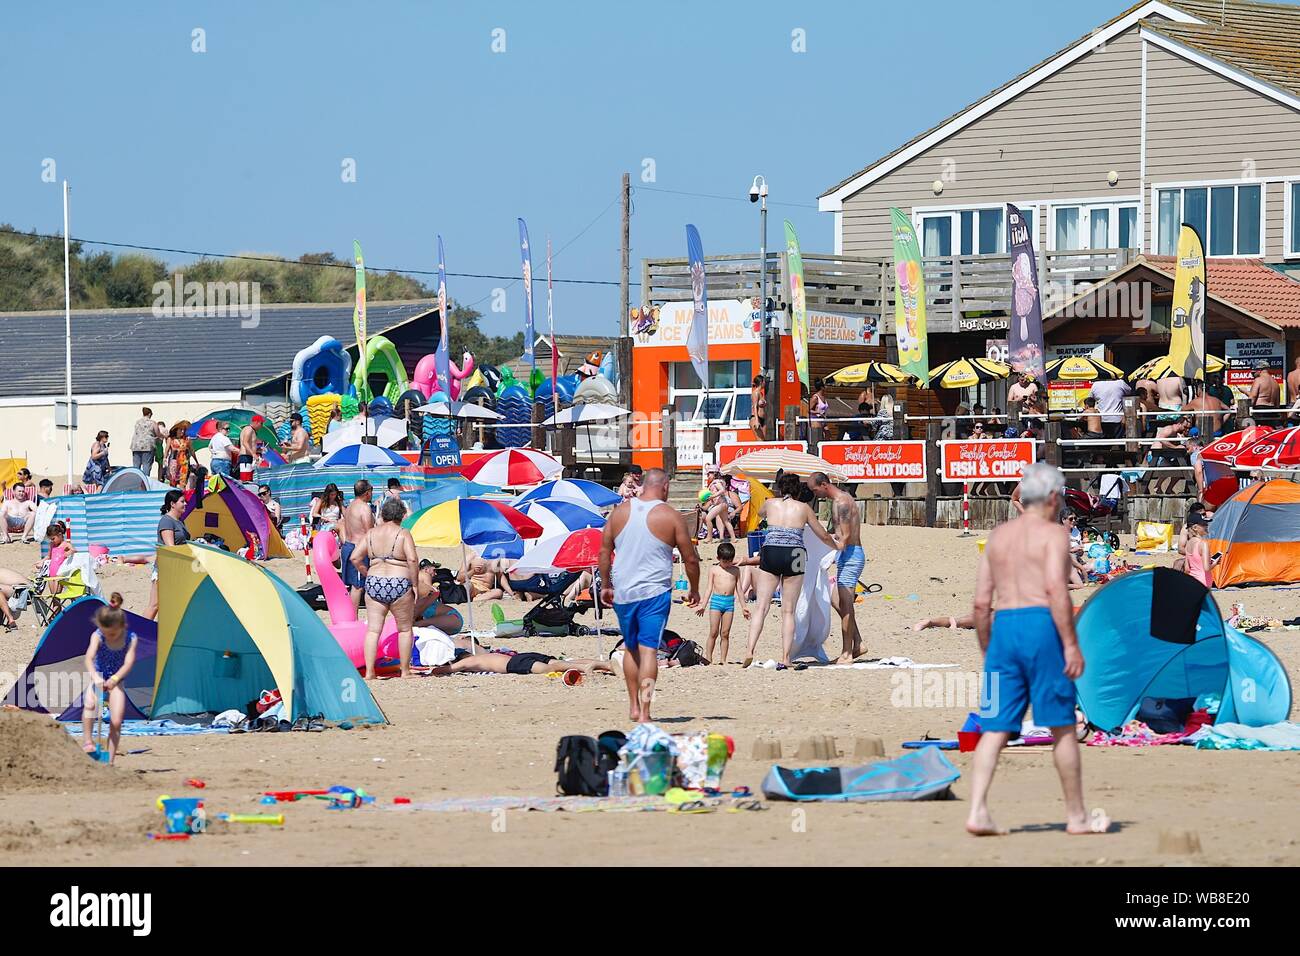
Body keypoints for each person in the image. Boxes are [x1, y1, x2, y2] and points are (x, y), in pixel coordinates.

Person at [968, 462, 1105, 837]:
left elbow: (981, 604)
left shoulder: (997, 536)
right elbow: (1056, 591)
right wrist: (1072, 645)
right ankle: (1076, 817)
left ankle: (978, 810)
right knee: (1061, 726)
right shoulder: (1053, 535)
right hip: (1040, 626)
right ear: (1052, 497)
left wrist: (988, 651)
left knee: (994, 727)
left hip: (1004, 628)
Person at [599, 467, 699, 723]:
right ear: (664, 487)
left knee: (631, 648)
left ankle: (633, 705)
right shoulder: (670, 515)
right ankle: (645, 711)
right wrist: (694, 589)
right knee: (649, 652)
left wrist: (606, 585)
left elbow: (604, 551)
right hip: (654, 591)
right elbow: (690, 559)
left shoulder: (619, 512)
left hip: (624, 590)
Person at [743, 472, 836, 669]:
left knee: (761, 606)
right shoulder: (803, 508)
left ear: (779, 487)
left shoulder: (770, 503)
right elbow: (822, 534)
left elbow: (760, 514)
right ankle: (786, 657)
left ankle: (750, 650)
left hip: (771, 551)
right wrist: (837, 546)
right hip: (794, 554)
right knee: (788, 611)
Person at [349, 497, 419, 679]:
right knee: (404, 629)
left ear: (383, 514)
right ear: (402, 515)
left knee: (373, 630)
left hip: (374, 582)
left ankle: (370, 672)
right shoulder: (403, 533)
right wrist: (415, 584)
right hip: (399, 583)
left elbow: (355, 557)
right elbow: (412, 559)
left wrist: (367, 573)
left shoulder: (371, 533)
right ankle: (405, 671)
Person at [807, 471, 866, 664]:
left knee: (847, 604)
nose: (815, 494)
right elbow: (837, 531)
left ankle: (847, 653)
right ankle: (857, 643)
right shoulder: (840, 500)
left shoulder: (841, 502)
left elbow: (845, 536)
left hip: (851, 555)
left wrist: (830, 543)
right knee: (836, 600)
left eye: (815, 490)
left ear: (824, 484)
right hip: (846, 555)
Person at [80, 603, 139, 764]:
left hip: (117, 680)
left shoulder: (131, 638)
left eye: (113, 633)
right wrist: (96, 678)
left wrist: (115, 679)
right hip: (98, 677)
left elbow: (128, 663)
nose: (110, 636)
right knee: (90, 704)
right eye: (107, 633)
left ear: (122, 626)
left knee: (117, 720)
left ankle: (110, 761)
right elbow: (89, 658)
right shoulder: (98, 635)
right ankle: (88, 742)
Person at [696, 542, 746, 665]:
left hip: (729, 603)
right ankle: (709, 658)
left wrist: (744, 607)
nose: (728, 563)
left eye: (730, 561)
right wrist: (703, 605)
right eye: (725, 561)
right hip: (716, 602)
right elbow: (708, 588)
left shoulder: (735, 570)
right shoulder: (714, 569)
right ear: (718, 558)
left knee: (725, 633)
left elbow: (739, 589)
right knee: (713, 632)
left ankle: (723, 659)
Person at [144, 490, 191, 620]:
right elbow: (171, 548)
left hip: (177, 568)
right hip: (166, 567)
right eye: (182, 501)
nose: (185, 504)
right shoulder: (166, 521)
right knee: (154, 605)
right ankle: (140, 632)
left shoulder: (180, 522)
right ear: (172, 504)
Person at [430, 651, 615, 677]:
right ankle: (604, 664)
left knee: (548, 669)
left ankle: (585, 668)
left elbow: (450, 669)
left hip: (515, 664)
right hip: (522, 656)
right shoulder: (485, 654)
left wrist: (432, 671)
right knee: (560, 662)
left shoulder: (470, 660)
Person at [341, 480, 375, 611]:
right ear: (367, 493)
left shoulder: (350, 506)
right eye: (371, 491)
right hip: (358, 549)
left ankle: (352, 617)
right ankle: (353, 619)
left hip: (348, 546)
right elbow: (369, 532)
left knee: (354, 585)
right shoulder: (364, 507)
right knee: (358, 586)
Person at [1182, 513, 1217, 588]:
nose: (1207, 526)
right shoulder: (1203, 544)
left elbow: (1187, 569)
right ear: (1195, 527)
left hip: (1192, 581)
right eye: (1203, 524)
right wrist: (1215, 563)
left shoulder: (1188, 543)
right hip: (1203, 582)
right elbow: (1206, 568)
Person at [130, 408, 162, 474]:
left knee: (136, 466)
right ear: (149, 414)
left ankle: (136, 481)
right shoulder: (152, 423)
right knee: (146, 465)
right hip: (147, 446)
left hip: (136, 445)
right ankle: (144, 482)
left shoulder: (137, 422)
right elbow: (157, 433)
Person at [237, 416, 264, 483]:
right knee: (245, 480)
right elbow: (245, 442)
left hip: (248, 457)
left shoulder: (252, 430)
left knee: (249, 480)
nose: (262, 426)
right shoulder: (249, 429)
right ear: (256, 422)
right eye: (261, 423)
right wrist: (253, 454)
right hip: (245, 457)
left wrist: (258, 450)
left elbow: (249, 444)